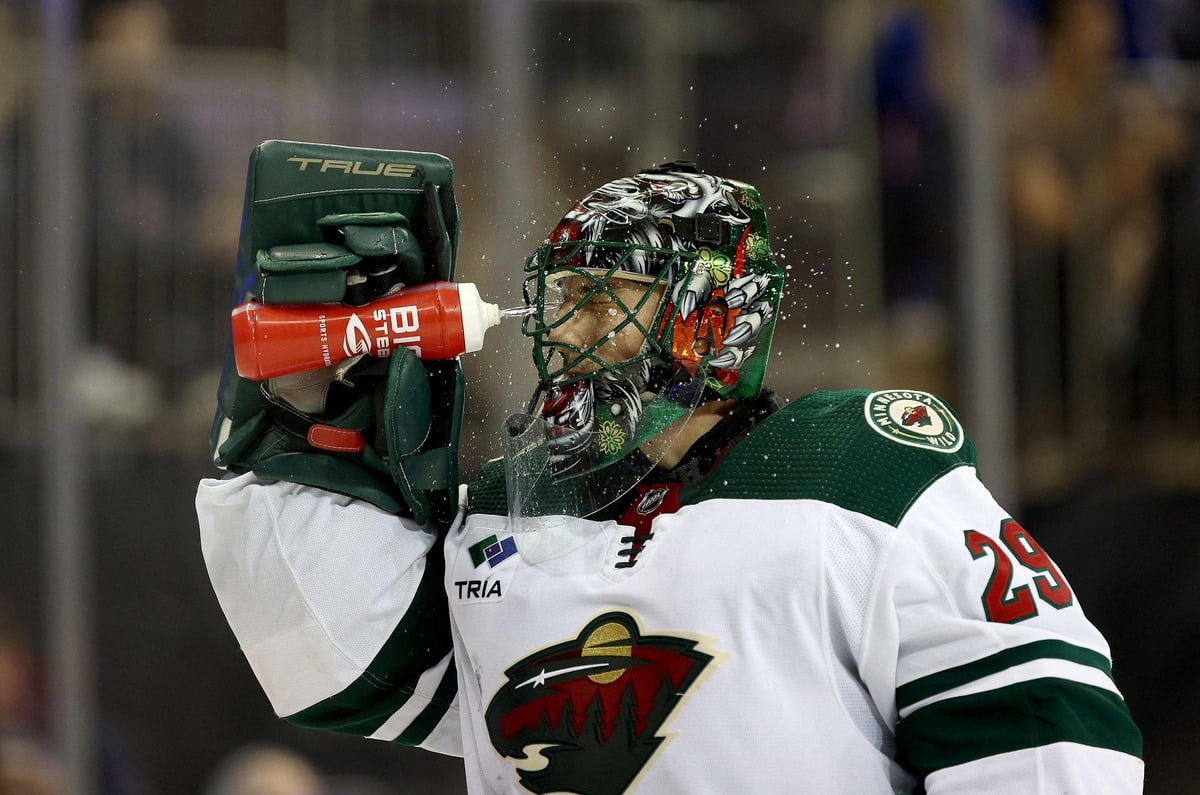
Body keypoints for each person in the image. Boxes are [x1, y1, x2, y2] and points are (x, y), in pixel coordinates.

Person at [197, 159, 1143, 793]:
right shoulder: (508, 507)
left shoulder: (861, 473)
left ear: (716, 314)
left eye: (610, 298)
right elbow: (339, 660)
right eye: (561, 298)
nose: (567, 332)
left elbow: (1046, 730)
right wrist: (303, 417)